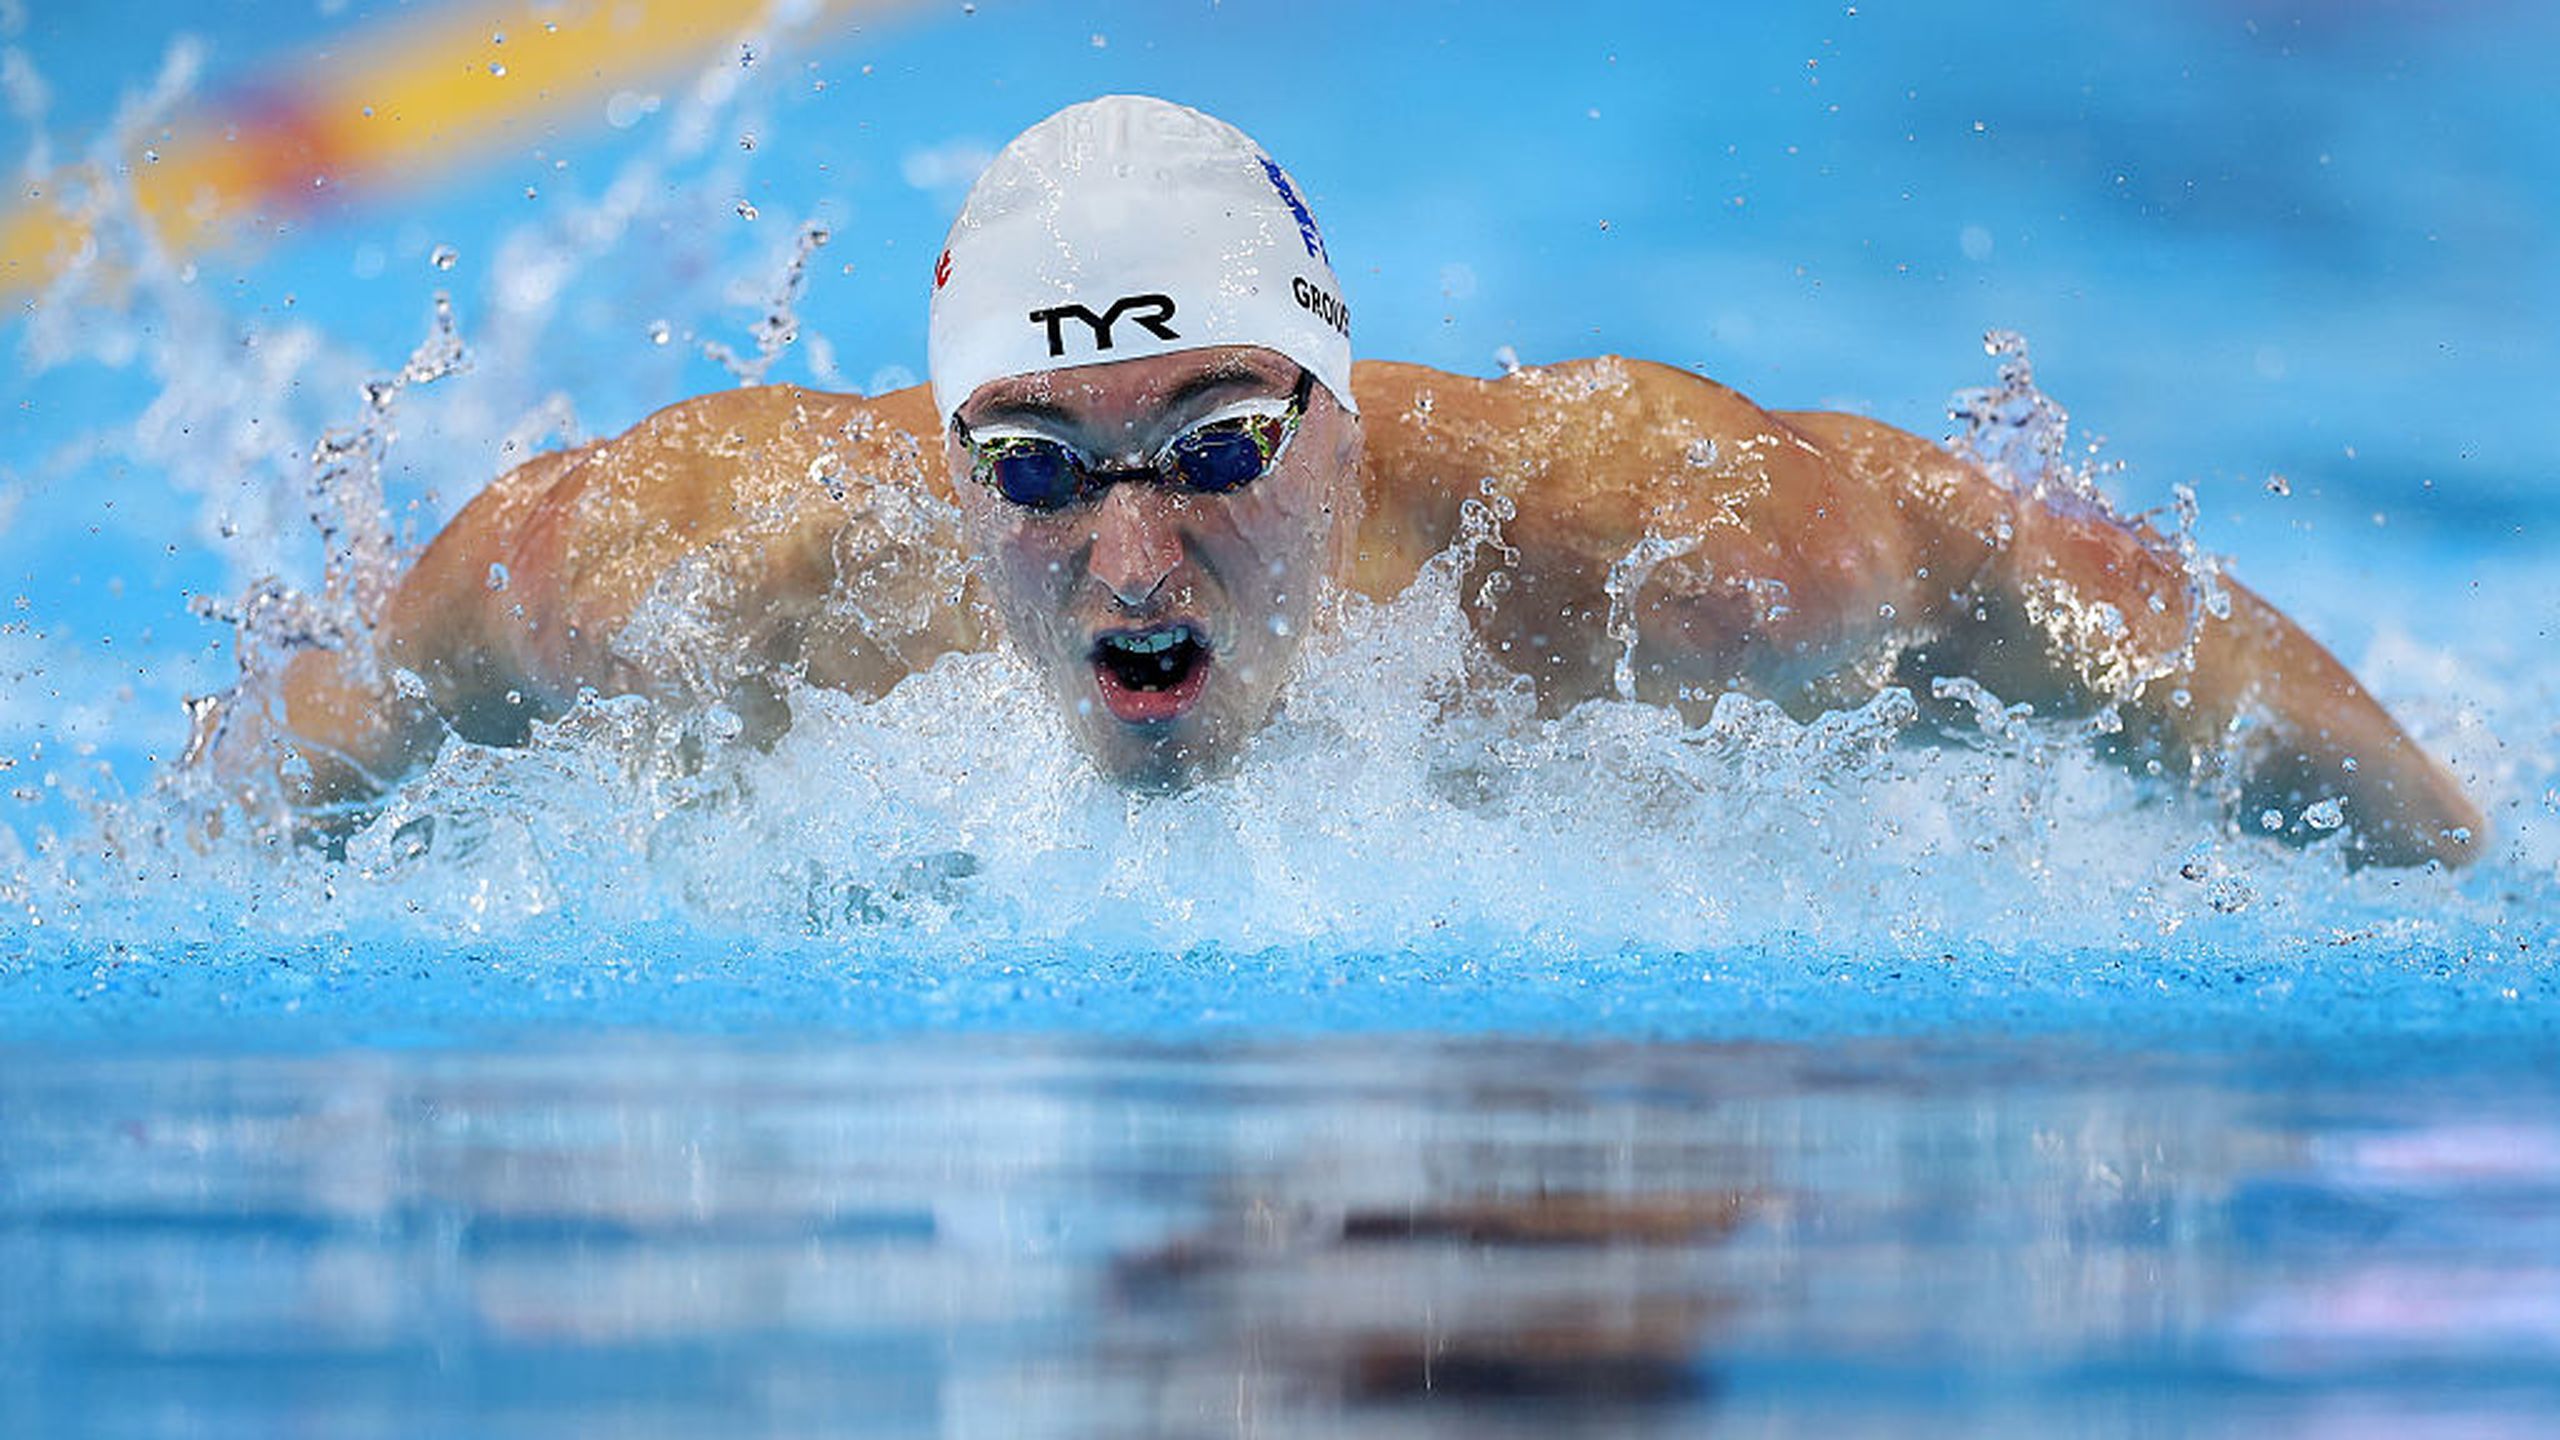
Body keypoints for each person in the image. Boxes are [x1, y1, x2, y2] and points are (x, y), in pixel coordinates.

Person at [192, 94, 2486, 868]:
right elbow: (295, 777)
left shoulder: (1657, 546)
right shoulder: (666, 571)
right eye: (1031, 468)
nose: (1128, 547)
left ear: (1344, 407)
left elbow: (2053, 585)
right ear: (935, 454)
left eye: (1211, 448)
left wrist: (2455, 884)